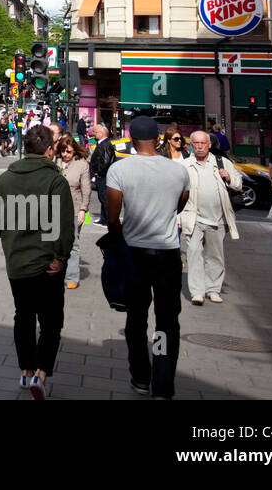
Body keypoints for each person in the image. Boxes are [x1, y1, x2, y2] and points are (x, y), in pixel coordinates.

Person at [105, 115, 190, 399]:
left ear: (130, 140)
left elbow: (113, 216)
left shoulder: (120, 169)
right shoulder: (178, 171)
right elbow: (180, 204)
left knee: (137, 316)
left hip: (134, 251)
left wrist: (120, 235)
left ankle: (140, 375)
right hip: (167, 252)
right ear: (158, 139)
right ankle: (163, 383)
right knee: (166, 320)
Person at [0, 124, 74, 400]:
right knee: (50, 321)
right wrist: (61, 257)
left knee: (23, 316)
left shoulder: (4, 179)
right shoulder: (55, 181)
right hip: (47, 264)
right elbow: (63, 225)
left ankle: (25, 371)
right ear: (49, 150)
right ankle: (41, 373)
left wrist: (9, 240)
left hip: (17, 263)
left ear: (25, 148)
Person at [179, 130, 241, 305]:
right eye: (196, 143)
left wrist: (229, 178)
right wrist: (178, 218)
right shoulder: (185, 166)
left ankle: (213, 289)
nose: (199, 146)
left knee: (215, 256)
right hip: (193, 217)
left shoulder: (222, 163)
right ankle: (197, 292)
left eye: (202, 143)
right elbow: (178, 193)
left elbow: (238, 184)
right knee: (194, 254)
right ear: (191, 145)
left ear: (209, 145)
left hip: (217, 218)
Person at [54, 136, 92, 289]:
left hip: (74, 209)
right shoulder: (54, 163)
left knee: (73, 244)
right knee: (54, 243)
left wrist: (83, 209)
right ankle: (55, 274)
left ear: (74, 150)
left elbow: (86, 189)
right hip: (55, 208)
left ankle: (72, 277)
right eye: (63, 151)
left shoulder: (82, 165)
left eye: (68, 151)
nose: (65, 154)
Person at [89, 123, 116, 225]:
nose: (93, 134)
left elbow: (105, 161)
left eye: (95, 132)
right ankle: (103, 218)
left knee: (105, 198)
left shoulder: (105, 145)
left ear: (101, 133)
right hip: (101, 175)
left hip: (103, 176)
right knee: (102, 197)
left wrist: (99, 172)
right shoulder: (102, 144)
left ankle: (108, 220)